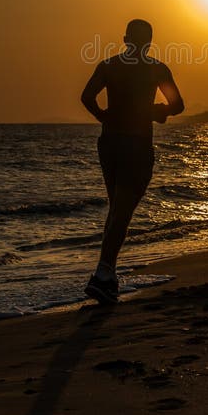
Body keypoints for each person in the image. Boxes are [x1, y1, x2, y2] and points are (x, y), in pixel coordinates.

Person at [80, 19, 185, 303]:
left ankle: (107, 276)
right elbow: (178, 105)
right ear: (149, 41)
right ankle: (102, 274)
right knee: (122, 211)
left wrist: (104, 117)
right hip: (136, 144)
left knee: (117, 209)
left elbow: (87, 97)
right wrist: (154, 111)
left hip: (110, 143)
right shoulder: (156, 69)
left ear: (125, 38)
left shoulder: (108, 65)